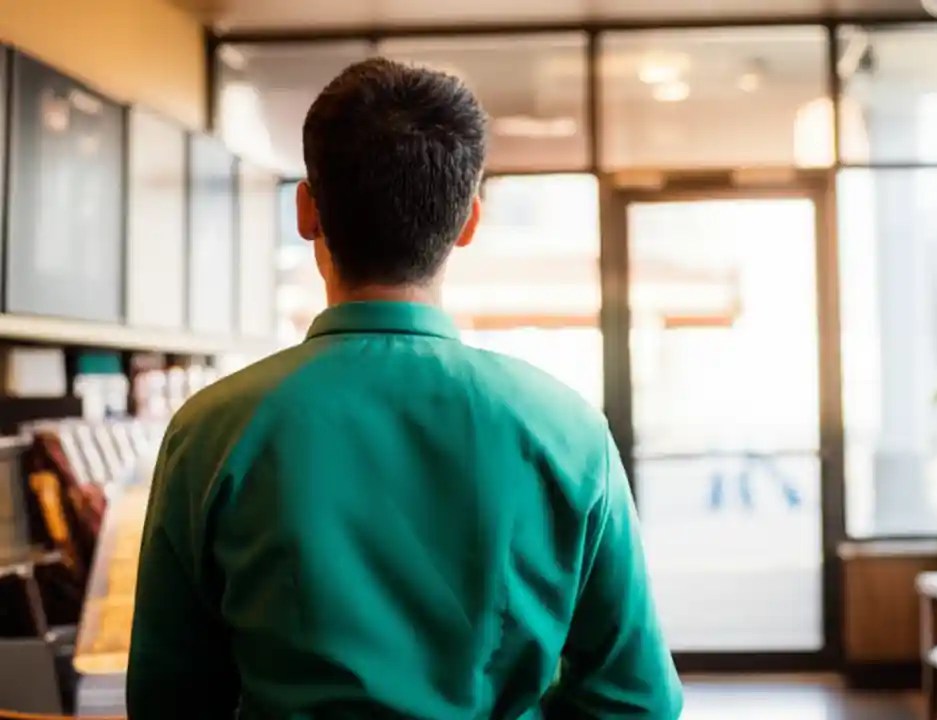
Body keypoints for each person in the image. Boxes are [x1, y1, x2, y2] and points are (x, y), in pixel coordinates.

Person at [127, 58, 682, 720]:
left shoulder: (211, 430)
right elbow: (636, 699)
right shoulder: (567, 430)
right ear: (469, 222)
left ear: (306, 211)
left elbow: (170, 701)